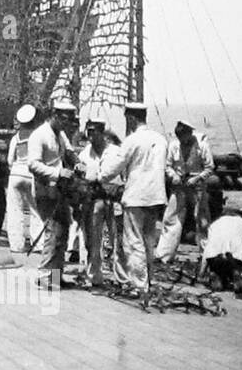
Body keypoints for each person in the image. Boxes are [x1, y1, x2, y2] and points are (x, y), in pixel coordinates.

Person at [99, 101, 169, 294]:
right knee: (148, 241)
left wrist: (100, 176)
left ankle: (139, 286)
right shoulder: (161, 139)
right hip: (156, 197)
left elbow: (112, 169)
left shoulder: (132, 140)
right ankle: (149, 281)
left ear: (130, 118)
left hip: (136, 197)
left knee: (133, 242)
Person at [27, 100, 78, 283]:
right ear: (55, 115)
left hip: (61, 190)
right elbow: (33, 164)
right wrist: (57, 173)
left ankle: (56, 275)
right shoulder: (39, 135)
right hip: (45, 189)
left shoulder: (60, 135)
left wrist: (77, 163)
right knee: (53, 231)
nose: (66, 124)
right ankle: (44, 274)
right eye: (64, 119)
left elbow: (69, 153)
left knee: (63, 231)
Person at [157, 120, 214, 263]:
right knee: (171, 218)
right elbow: (168, 166)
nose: (183, 141)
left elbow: (209, 167)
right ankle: (165, 254)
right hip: (180, 186)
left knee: (202, 220)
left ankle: (207, 256)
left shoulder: (202, 146)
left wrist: (197, 178)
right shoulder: (174, 146)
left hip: (197, 186)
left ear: (190, 134)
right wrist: (173, 176)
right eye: (180, 138)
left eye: (185, 137)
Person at [73, 119, 122, 287]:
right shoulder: (84, 154)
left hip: (114, 200)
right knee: (93, 239)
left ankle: (122, 278)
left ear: (102, 133)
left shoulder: (115, 152)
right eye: (89, 132)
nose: (91, 135)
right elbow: (79, 178)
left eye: (94, 131)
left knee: (118, 240)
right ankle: (94, 275)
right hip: (94, 200)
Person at [4, 104, 41, 253]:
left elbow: (9, 160)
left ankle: (16, 245)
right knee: (36, 211)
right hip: (32, 175)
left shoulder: (16, 137)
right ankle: (38, 244)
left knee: (14, 210)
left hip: (16, 174)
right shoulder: (38, 136)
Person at [203, 205, 242, 294]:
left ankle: (216, 275)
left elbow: (207, 248)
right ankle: (240, 276)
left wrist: (202, 272)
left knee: (218, 264)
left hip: (214, 258)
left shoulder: (215, 224)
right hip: (236, 258)